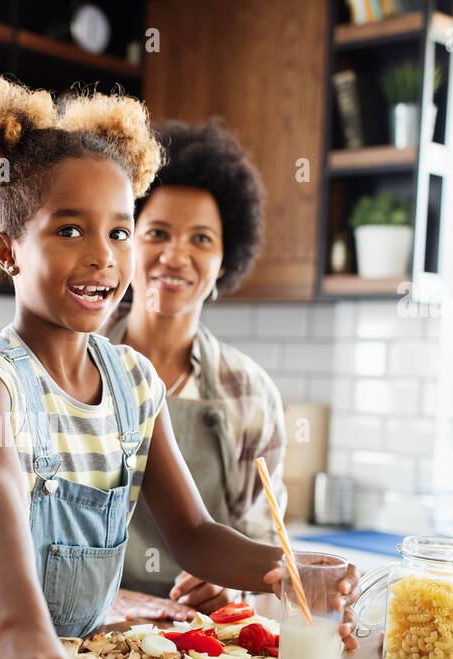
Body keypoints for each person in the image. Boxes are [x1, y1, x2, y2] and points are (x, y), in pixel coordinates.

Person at [0, 77, 356, 659]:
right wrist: (24, 630)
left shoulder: (133, 384)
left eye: (119, 230)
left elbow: (197, 535)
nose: (103, 255)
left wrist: (289, 570)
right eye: (69, 229)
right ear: (7, 251)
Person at [103, 118, 289, 617]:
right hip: (81, 634)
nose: (176, 255)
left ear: (226, 260)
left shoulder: (250, 394)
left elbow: (261, 542)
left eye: (202, 240)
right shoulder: (71, 364)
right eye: (157, 232)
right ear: (125, 240)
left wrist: (235, 587)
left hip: (204, 645)